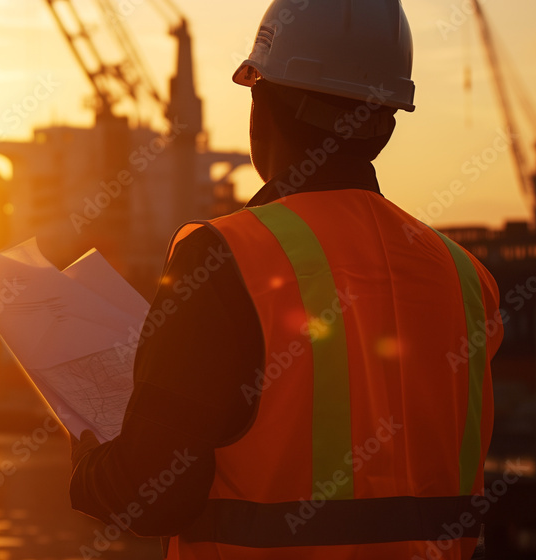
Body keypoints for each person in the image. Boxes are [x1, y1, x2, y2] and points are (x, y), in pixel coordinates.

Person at [68, 1, 502, 559]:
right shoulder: (467, 279)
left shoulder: (223, 258)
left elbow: (152, 494)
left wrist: (86, 469)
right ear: (387, 122)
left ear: (263, 102)